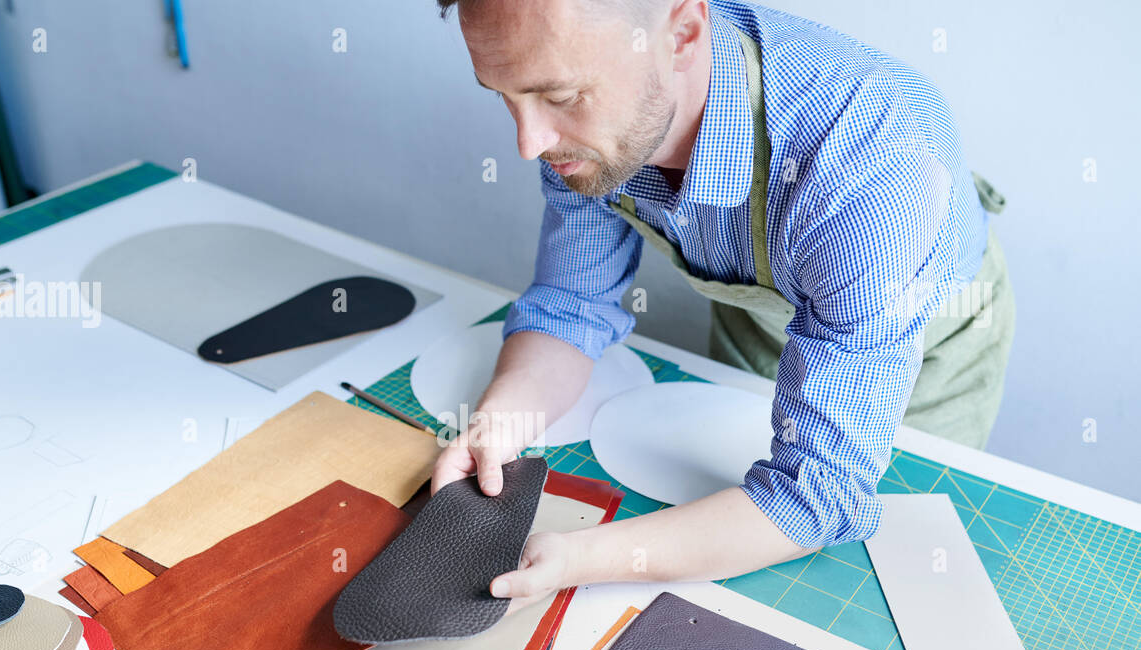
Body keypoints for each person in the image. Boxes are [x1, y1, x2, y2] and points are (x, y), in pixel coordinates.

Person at [429, 0, 1015, 603]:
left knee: (878, 575)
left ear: (682, 34)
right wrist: (501, 422)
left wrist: (580, 555)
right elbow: (571, 305)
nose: (530, 143)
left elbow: (816, 497)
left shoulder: (871, 172)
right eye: (506, 95)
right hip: (767, 316)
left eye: (561, 96)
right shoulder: (582, 132)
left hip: (928, 341)